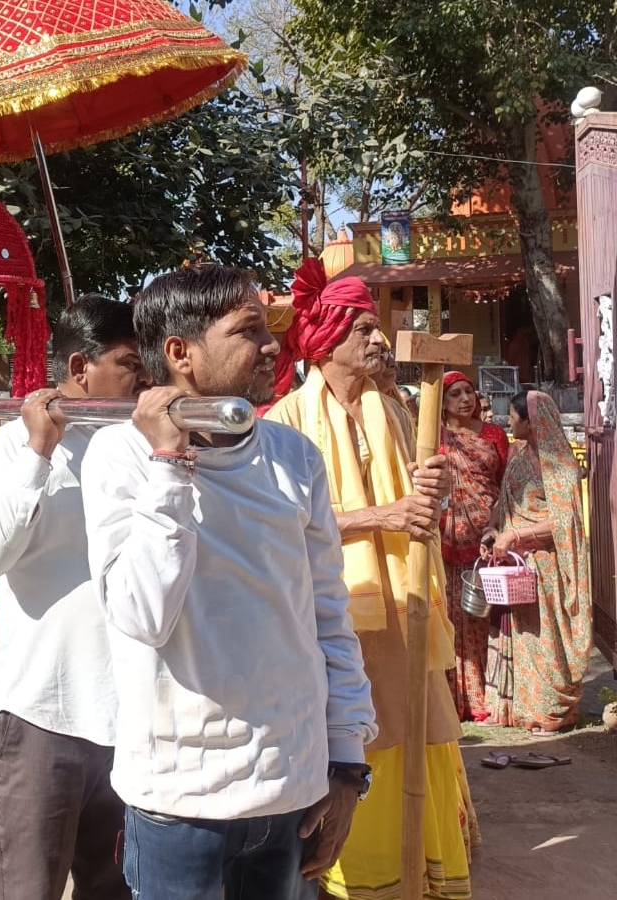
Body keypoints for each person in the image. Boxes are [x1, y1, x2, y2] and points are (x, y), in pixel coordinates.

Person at [82, 265, 377, 900]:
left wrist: (348, 759)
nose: (273, 346)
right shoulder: (118, 457)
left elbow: (328, 614)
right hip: (178, 800)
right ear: (179, 354)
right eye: (247, 332)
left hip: (290, 793)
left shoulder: (294, 456)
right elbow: (142, 615)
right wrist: (168, 466)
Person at [265, 258, 476, 900]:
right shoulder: (282, 422)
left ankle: (420, 877)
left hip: (408, 608)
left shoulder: (396, 410)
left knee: (420, 739)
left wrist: (429, 491)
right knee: (355, 749)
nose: (379, 340)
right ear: (327, 338)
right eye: (363, 328)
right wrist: (383, 515)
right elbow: (285, 526)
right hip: (337, 621)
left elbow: (417, 503)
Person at [0, 295, 150, 900]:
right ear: (79, 368)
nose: (144, 377)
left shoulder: (144, 446)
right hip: (43, 711)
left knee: (116, 889)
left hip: (132, 714)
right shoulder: (12, 447)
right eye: (129, 362)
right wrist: (40, 452)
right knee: (27, 890)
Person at [481, 391, 591, 732]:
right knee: (520, 636)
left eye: (513, 419)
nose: (509, 424)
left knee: (546, 635)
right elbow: (505, 498)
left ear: (531, 421)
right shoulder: (519, 452)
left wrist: (517, 536)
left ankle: (552, 710)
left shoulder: (558, 462)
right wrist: (493, 527)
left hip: (545, 563)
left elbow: (564, 519)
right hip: (515, 564)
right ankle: (521, 709)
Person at [440, 371, 509, 722]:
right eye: (455, 394)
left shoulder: (494, 435)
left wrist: (498, 527)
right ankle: (457, 697)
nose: (465, 399)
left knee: (489, 615)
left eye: (469, 392)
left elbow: (506, 483)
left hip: (490, 533)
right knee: (453, 616)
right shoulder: (435, 438)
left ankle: (492, 696)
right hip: (448, 535)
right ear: (442, 403)